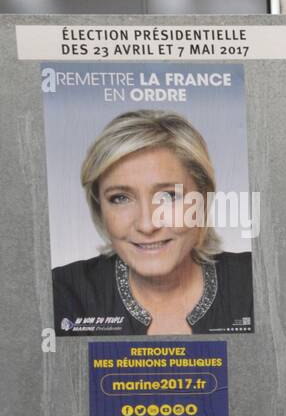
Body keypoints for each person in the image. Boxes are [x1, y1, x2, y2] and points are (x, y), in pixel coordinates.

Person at [52, 109, 254, 337]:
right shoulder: (61, 292)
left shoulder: (255, 283)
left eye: (168, 196)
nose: (147, 225)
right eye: (120, 198)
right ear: (100, 209)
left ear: (202, 199)